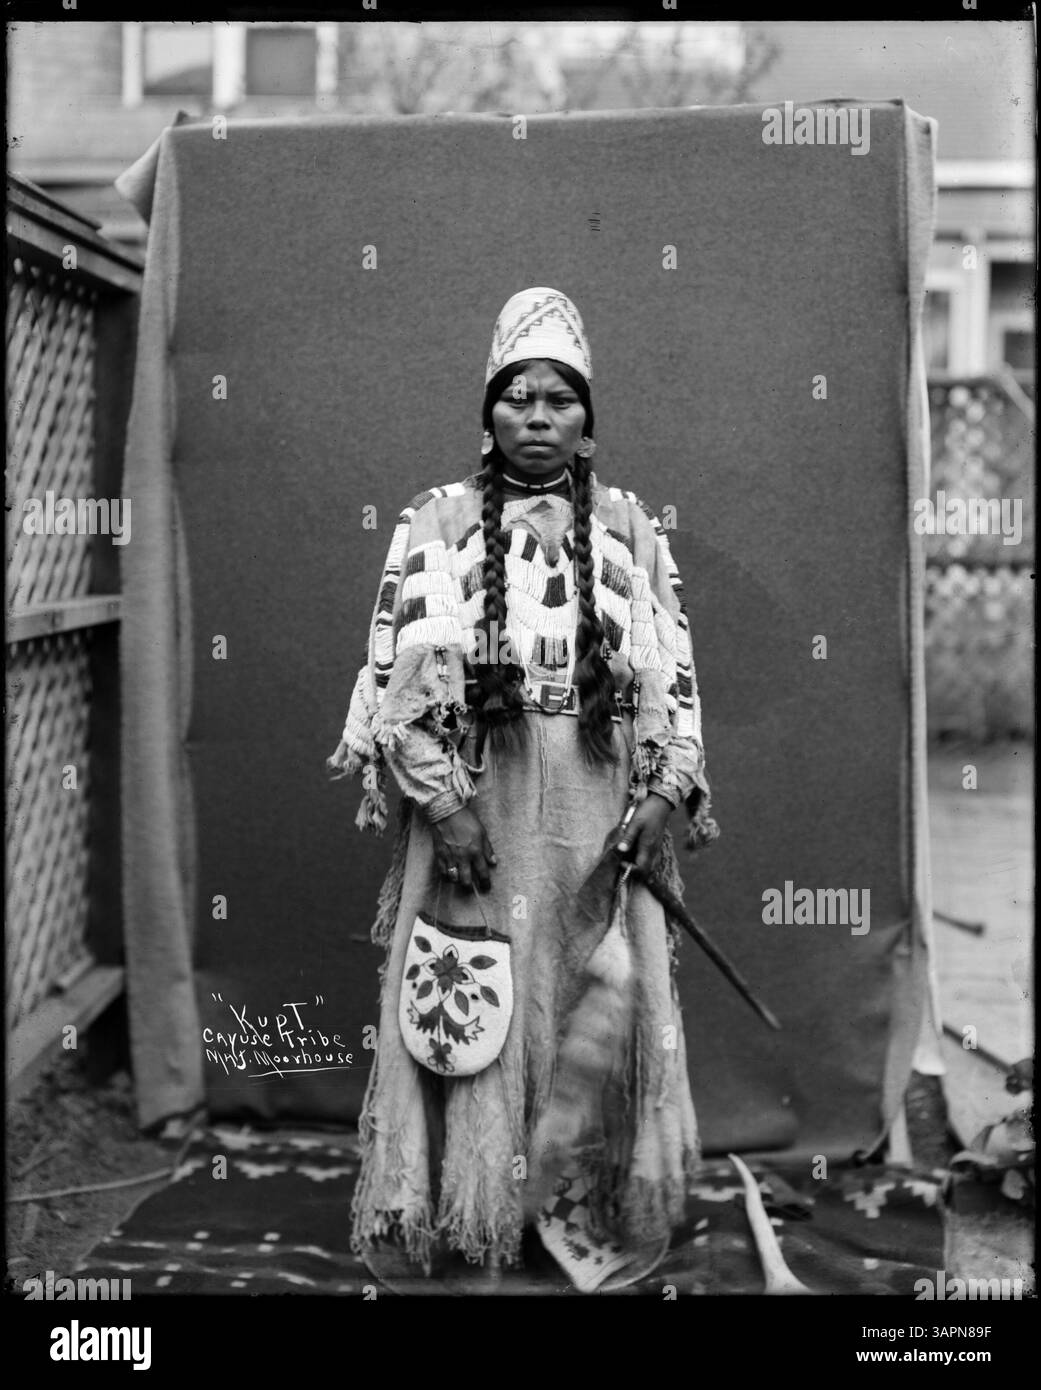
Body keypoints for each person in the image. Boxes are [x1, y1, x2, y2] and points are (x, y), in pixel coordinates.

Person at [327, 286, 718, 1291]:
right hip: (480, 809)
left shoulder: (632, 530)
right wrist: (445, 807)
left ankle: (583, 1217)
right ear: (487, 410)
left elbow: (669, 678)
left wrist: (663, 798)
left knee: (596, 998)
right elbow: (406, 685)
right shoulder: (438, 522)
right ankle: (471, 1212)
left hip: (597, 815)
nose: (537, 418)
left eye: (559, 400)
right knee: (473, 997)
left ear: (588, 416)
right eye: (516, 398)